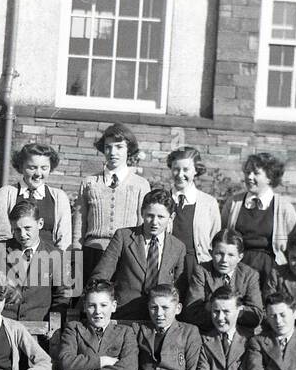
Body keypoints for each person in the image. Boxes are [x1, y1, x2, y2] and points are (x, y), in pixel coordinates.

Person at [0, 200, 70, 323]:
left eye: (27, 228)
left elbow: (62, 297)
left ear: (40, 223)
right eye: (17, 230)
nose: (22, 234)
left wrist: (54, 324)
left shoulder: (56, 256)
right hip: (0, 326)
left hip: (37, 329)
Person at [90, 188, 187, 321]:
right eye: (150, 215)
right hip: (124, 313)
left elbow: (178, 288)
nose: (154, 222)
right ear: (142, 212)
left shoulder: (178, 247)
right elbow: (102, 274)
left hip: (159, 318)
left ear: (172, 217)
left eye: (161, 217)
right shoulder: (123, 237)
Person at [72, 123, 151, 283]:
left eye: (119, 147)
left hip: (126, 252)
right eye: (108, 147)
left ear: (129, 150)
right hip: (92, 252)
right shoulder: (90, 182)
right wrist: (76, 252)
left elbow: (143, 223)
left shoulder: (140, 184)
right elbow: (79, 222)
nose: (113, 152)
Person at [219, 151, 296, 283]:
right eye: (247, 172)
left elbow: (290, 244)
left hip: (270, 269)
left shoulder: (285, 208)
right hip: (237, 268)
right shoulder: (233, 203)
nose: (249, 177)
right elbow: (224, 234)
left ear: (270, 177)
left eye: (256, 173)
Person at [184, 228, 264, 333]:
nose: (224, 260)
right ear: (211, 253)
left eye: (231, 255)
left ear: (240, 257)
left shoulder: (249, 275)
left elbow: (256, 315)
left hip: (239, 335)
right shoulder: (202, 272)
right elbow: (192, 313)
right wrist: (235, 311)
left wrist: (215, 308)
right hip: (207, 333)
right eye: (219, 254)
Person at [0, 142, 72, 250]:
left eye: (44, 168)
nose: (38, 173)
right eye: (32, 168)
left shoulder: (59, 197)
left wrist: (60, 263)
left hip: (48, 260)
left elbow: (64, 238)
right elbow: (1, 233)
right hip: (13, 258)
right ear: (21, 167)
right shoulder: (6, 193)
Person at [165, 146, 220, 268]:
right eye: (176, 169)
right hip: (166, 264)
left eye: (186, 169)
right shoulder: (163, 199)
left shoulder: (209, 203)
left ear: (196, 170)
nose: (180, 174)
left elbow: (215, 238)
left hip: (197, 265)